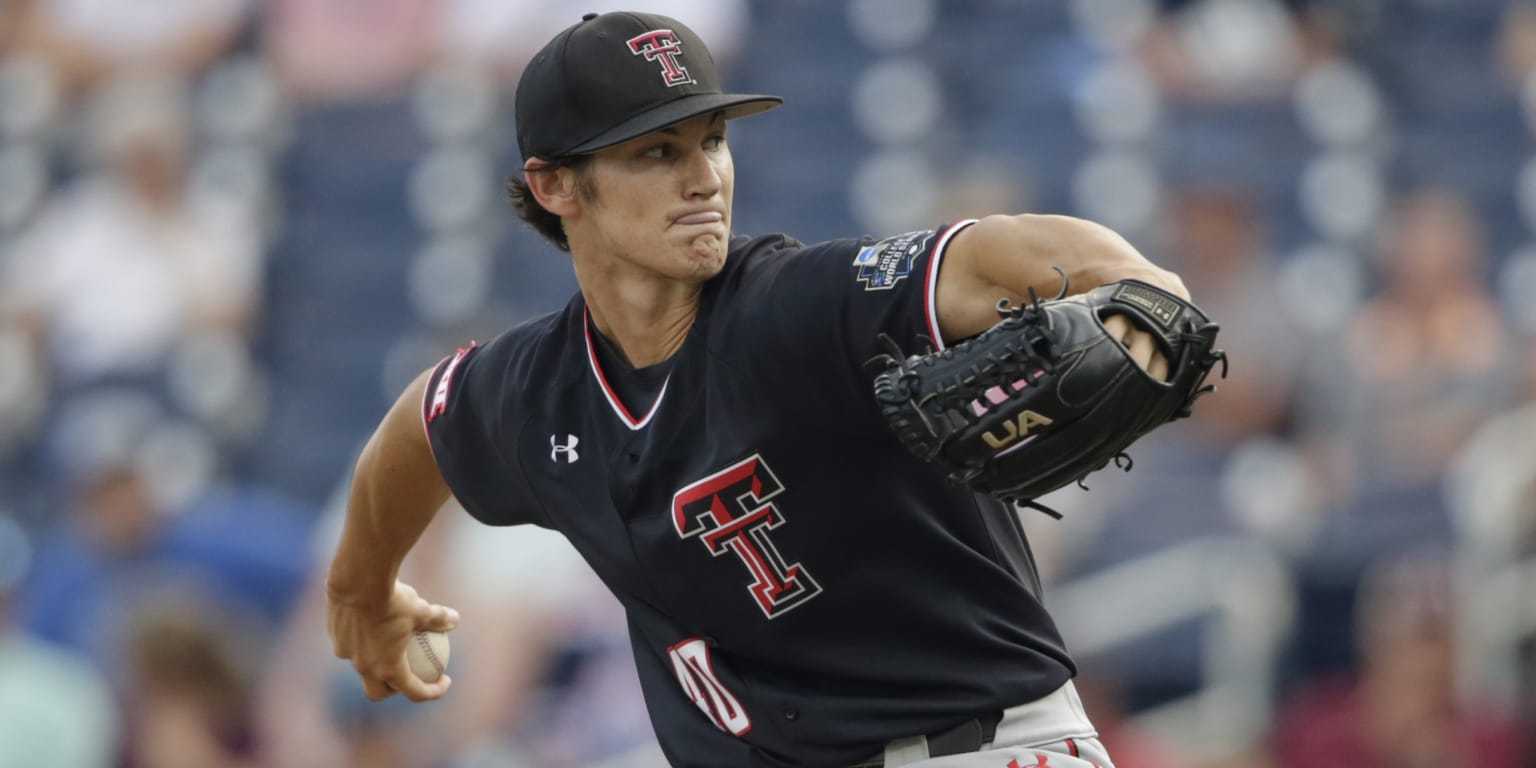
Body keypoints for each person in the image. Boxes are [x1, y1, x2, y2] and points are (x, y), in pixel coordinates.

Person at [326, 11, 1191, 767]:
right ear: (554, 184)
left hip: (977, 747)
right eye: (657, 152)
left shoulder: (798, 305)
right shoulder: (535, 391)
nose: (704, 176)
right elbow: (420, 426)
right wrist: (361, 591)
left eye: (711, 140)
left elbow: (991, 252)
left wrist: (1143, 289)